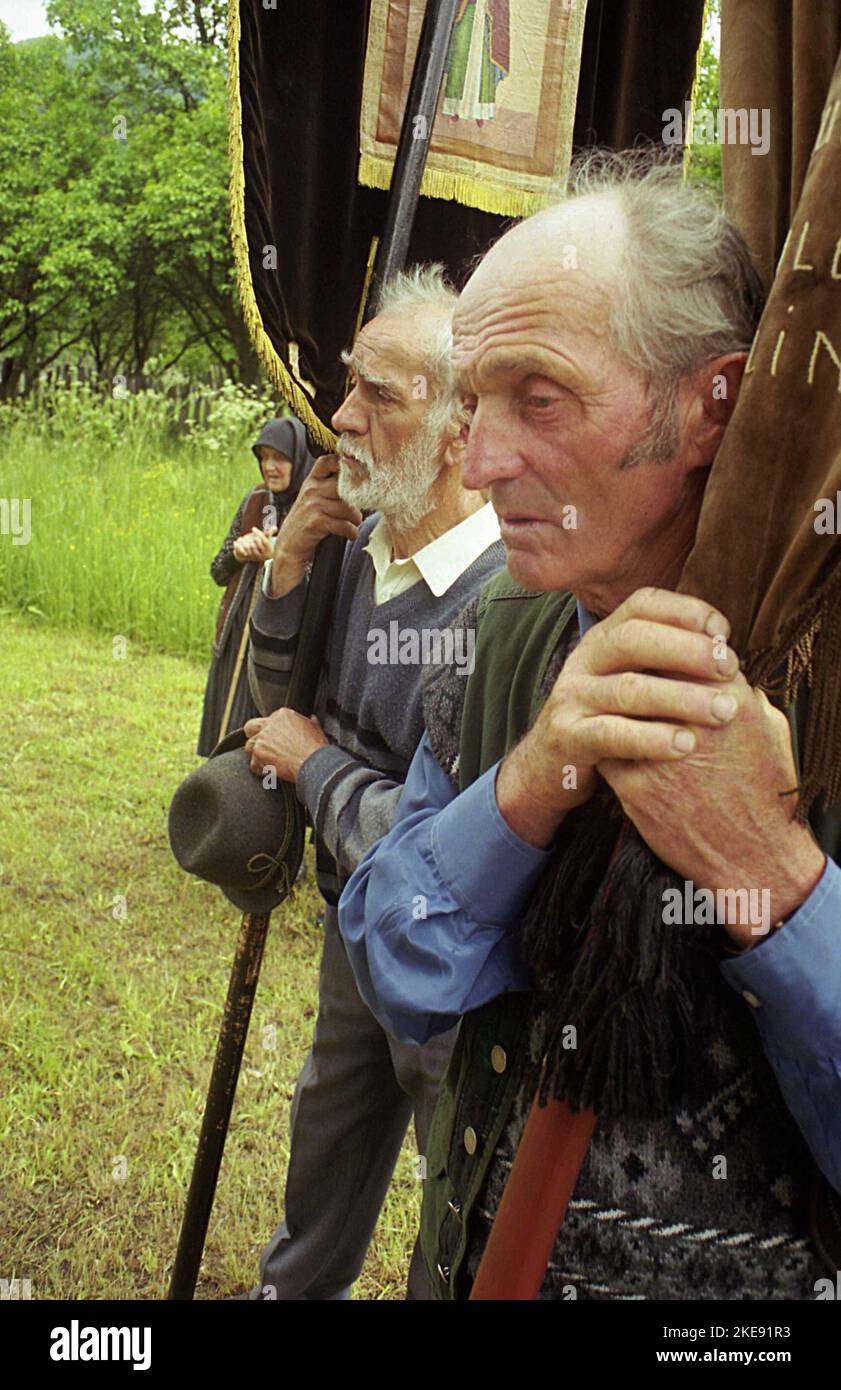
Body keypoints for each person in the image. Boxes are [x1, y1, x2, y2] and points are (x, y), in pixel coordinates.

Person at [339, 154, 841, 1300]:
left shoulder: (824, 674)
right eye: (474, 402)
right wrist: (526, 783)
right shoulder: (506, 629)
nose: (477, 459)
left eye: (540, 398)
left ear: (710, 404)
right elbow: (397, 962)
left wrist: (771, 874)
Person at [238, 267, 505, 1300]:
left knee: (460, 1203)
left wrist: (316, 764)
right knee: (325, 1155)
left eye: (378, 397)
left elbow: (448, 841)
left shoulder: (506, 605)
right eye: (350, 386)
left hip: (456, 977)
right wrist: (291, 567)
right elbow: (274, 709)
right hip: (353, 930)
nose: (340, 418)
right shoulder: (355, 539)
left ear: (457, 429)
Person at [196, 418, 313, 757]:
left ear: (299, 457)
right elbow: (218, 570)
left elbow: (322, 580)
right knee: (224, 719)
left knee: (253, 732)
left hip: (275, 639)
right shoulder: (255, 500)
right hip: (238, 633)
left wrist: (279, 556)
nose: (269, 467)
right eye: (263, 457)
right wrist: (239, 551)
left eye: (279, 457)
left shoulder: (312, 506)